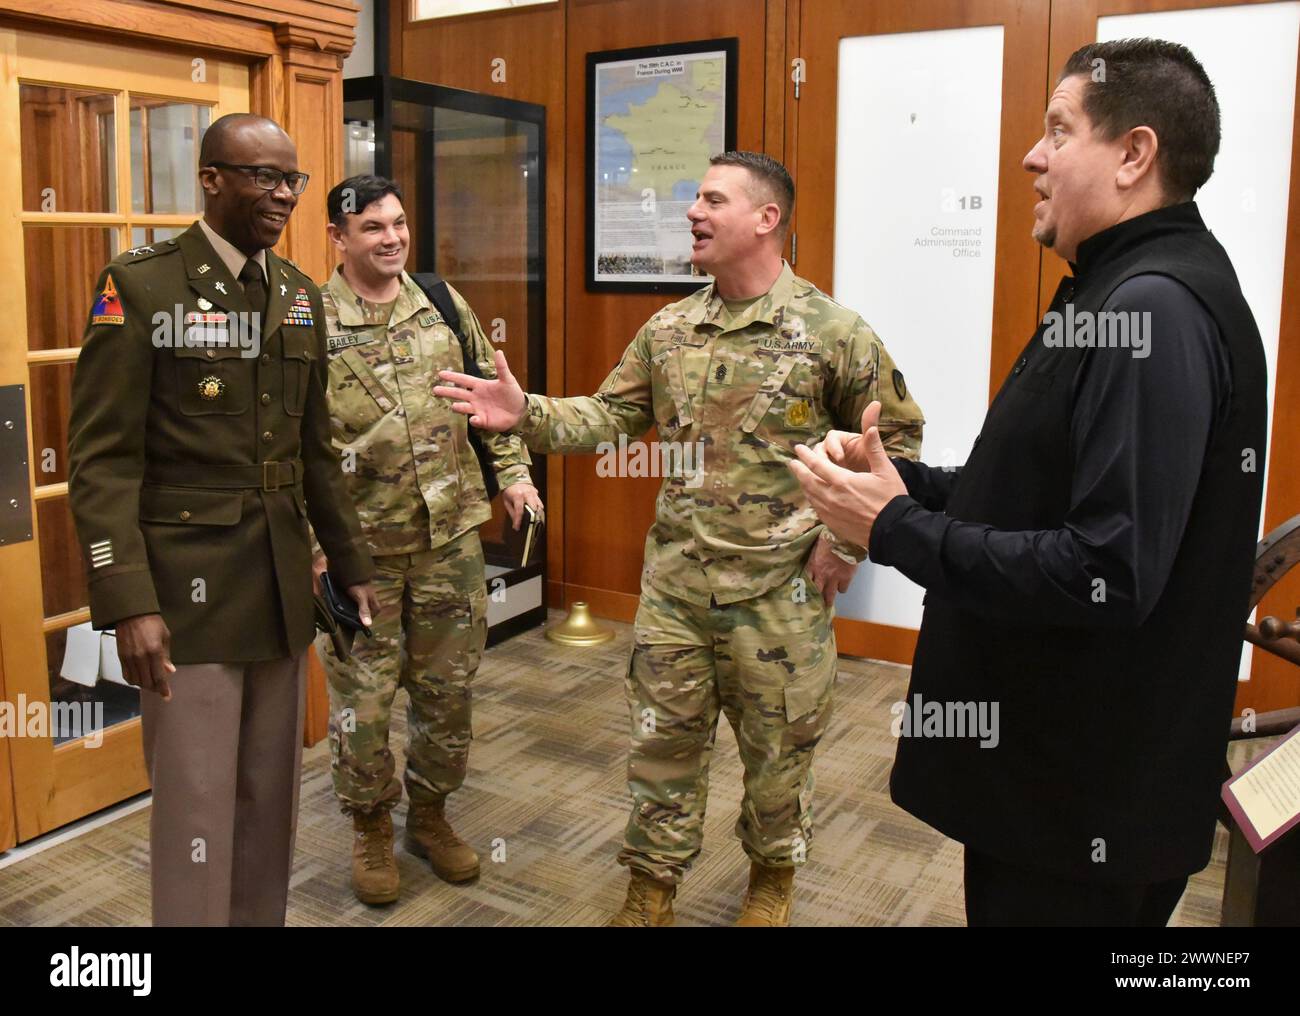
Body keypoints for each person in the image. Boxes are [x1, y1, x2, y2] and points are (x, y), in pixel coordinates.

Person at [789, 39, 1268, 927]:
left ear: (1134, 155)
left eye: (1058, 129)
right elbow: (1043, 487)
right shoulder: (1117, 291)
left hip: (1081, 808)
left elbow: (1107, 569)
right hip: (1062, 792)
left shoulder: (1152, 309)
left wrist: (892, 526)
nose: (1031, 156)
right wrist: (914, 485)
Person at [435, 151, 924, 926]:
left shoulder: (834, 332)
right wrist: (522, 410)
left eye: (711, 200)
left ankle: (771, 881)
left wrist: (850, 542)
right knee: (662, 751)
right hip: (676, 592)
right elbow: (607, 419)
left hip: (780, 594)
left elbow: (895, 445)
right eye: (693, 199)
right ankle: (652, 890)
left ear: (766, 219)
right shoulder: (670, 328)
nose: (692, 213)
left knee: (778, 758)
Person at [67, 113, 378, 926]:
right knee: (197, 806)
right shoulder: (141, 285)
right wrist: (127, 600)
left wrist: (352, 566)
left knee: (267, 798)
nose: (284, 195)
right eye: (264, 177)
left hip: (277, 589)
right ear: (210, 179)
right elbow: (102, 461)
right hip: (184, 599)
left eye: (293, 179)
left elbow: (316, 451)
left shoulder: (301, 296)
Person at [313, 175, 542, 904]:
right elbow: (288, 442)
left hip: (450, 543)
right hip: (359, 556)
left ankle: (431, 816)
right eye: (373, 227)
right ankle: (372, 826)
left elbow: (490, 397)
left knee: (447, 695)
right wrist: (310, 546)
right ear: (339, 238)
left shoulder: (440, 303)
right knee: (365, 703)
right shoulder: (310, 320)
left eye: (399, 223)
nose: (391, 237)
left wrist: (515, 477)